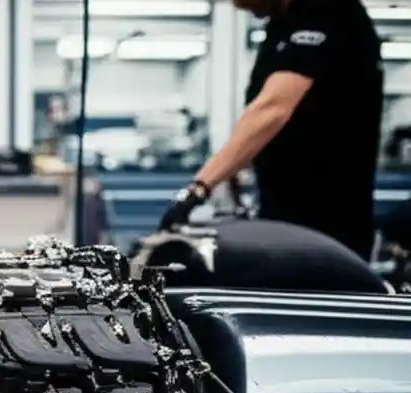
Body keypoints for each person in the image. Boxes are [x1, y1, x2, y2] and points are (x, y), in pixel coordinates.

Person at [159, 0, 383, 262]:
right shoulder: (281, 24)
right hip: (287, 215)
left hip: (326, 223)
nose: (238, 5)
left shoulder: (326, 12)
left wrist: (199, 188)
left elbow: (273, 107)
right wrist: (238, 163)